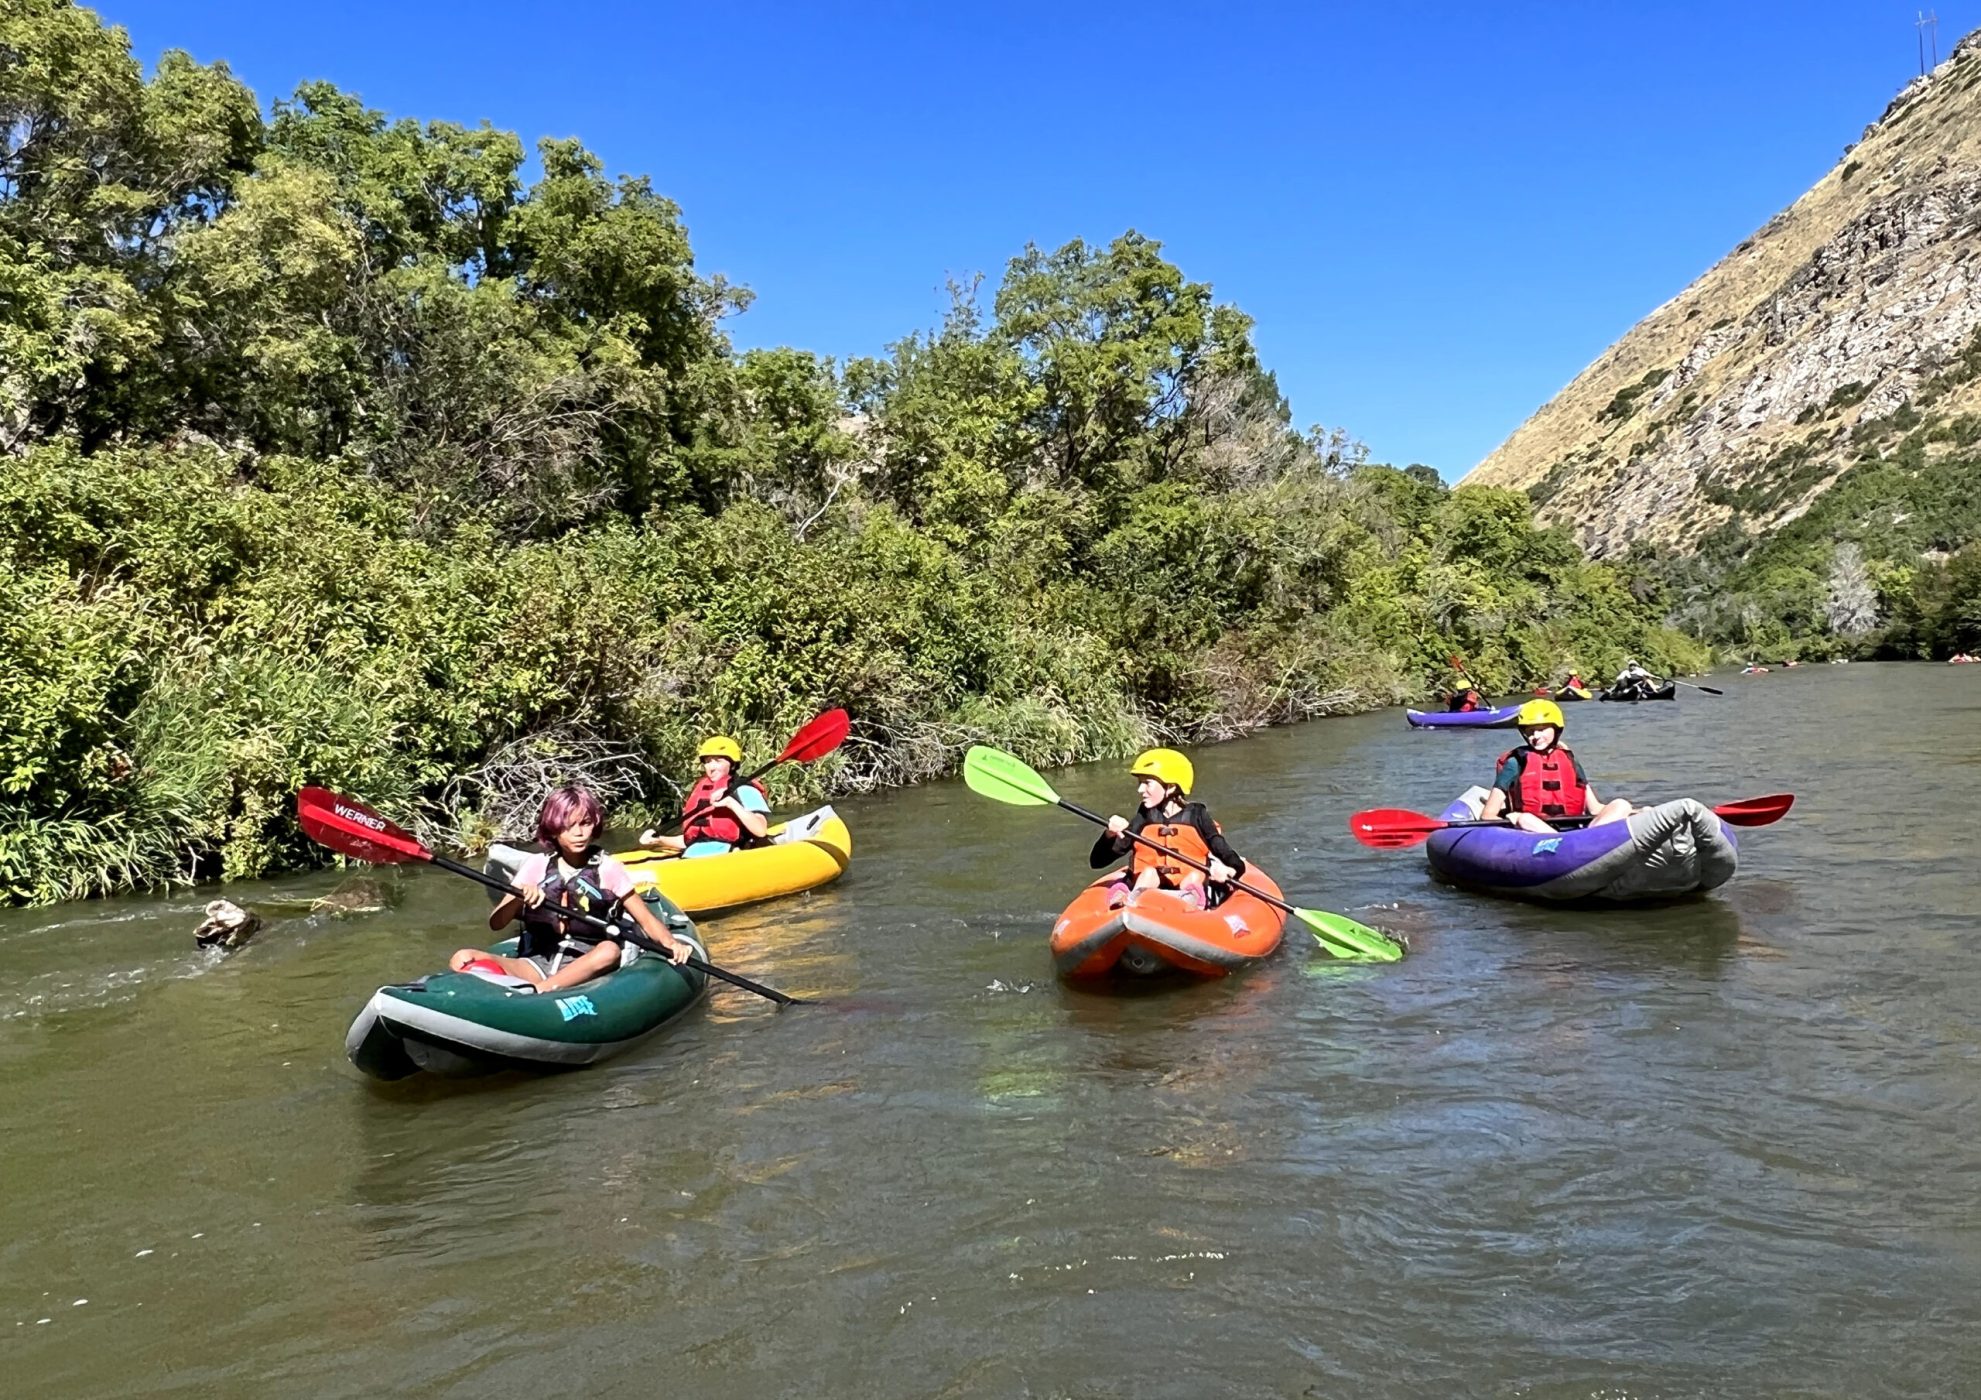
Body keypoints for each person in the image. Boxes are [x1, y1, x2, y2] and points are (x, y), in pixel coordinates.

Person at [450, 786, 692, 992]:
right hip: (536, 961)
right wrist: (519, 897)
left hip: (588, 961)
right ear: (554, 830)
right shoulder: (536, 866)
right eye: (569, 826)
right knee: (462, 957)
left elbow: (646, 920)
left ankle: (542, 993)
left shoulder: (607, 868)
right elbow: (497, 922)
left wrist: (671, 944)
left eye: (585, 824)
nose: (579, 833)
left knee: (609, 950)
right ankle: (536, 989)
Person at [1090, 748, 1245, 910]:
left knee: (1194, 876)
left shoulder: (1197, 816)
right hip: (1151, 890)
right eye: (1140, 783)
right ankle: (1132, 901)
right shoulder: (1144, 817)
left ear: (1170, 787)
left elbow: (1229, 856)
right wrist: (1109, 835)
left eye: (1147, 783)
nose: (1140, 790)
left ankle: (1189, 903)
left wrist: (1229, 870)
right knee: (1148, 873)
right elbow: (1097, 861)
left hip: (1188, 889)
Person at [1478, 700, 1633, 835]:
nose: (1536, 736)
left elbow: (1594, 809)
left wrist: (1637, 813)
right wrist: (1511, 818)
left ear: (1557, 729)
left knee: (1621, 804)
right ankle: (1567, 844)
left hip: (1577, 831)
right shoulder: (1515, 762)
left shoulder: (1569, 760)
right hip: (1534, 832)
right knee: (1525, 818)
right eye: (1530, 731)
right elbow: (1488, 814)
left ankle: (1581, 842)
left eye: (1542, 729)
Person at [638, 736, 772, 858]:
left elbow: (760, 830)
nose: (711, 767)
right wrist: (660, 840)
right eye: (708, 761)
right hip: (690, 856)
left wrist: (731, 803)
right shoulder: (700, 790)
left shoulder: (744, 790)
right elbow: (689, 841)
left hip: (730, 855)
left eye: (718, 761)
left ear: (732, 764)